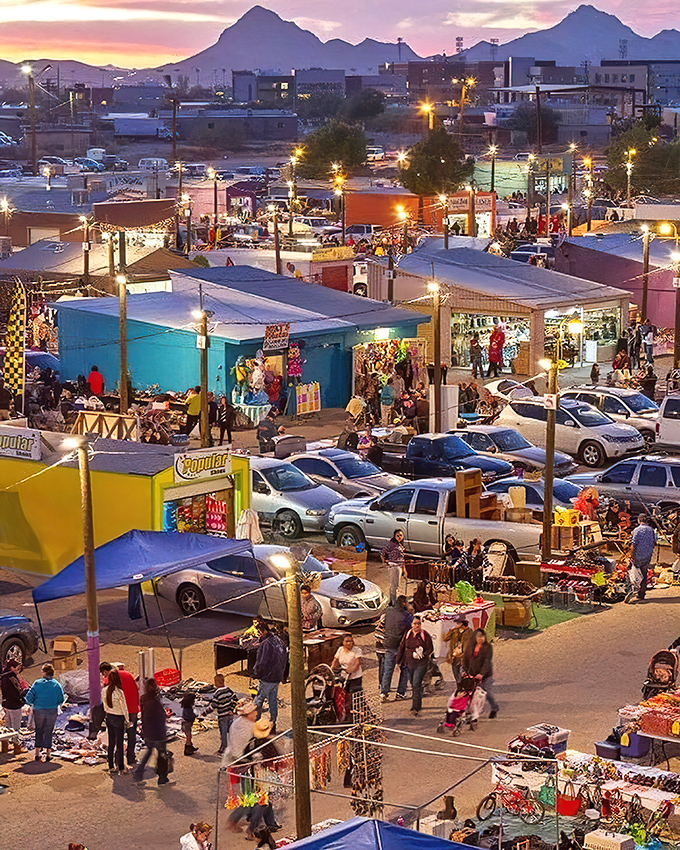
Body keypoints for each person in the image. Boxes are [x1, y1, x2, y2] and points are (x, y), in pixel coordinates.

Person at [99, 661, 139, 767]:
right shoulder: (129, 675)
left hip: (119, 713)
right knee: (132, 735)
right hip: (133, 708)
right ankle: (131, 757)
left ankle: (116, 762)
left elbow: (106, 697)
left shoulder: (111, 679)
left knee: (117, 740)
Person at [24, 663, 65, 762]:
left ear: (44, 672)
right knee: (48, 731)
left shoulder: (37, 683)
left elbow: (29, 697)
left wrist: (36, 702)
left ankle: (37, 753)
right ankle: (48, 754)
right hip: (52, 710)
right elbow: (61, 699)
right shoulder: (56, 685)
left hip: (39, 710)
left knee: (39, 730)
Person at [133, 677, 169, 786]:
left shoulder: (144, 700)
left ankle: (138, 774)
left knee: (148, 752)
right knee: (162, 755)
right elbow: (160, 716)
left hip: (148, 730)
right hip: (158, 731)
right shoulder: (155, 700)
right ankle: (162, 778)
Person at [253, 621, 287, 731]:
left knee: (259, 700)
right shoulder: (279, 641)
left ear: (263, 631)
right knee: (272, 700)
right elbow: (284, 660)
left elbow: (261, 662)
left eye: (259, 632)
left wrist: (257, 673)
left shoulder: (265, 644)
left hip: (267, 677)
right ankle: (273, 721)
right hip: (277, 676)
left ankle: (254, 720)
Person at [396, 616, 433, 716]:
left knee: (416, 683)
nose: (416, 626)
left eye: (418, 624)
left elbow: (430, 649)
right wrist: (398, 662)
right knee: (413, 683)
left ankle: (415, 707)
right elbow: (402, 647)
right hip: (409, 663)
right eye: (414, 624)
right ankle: (418, 699)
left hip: (421, 664)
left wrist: (422, 655)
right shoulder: (407, 634)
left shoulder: (424, 635)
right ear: (411, 625)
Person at [462, 629, 499, 721]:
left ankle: (494, 707)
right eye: (478, 637)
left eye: (482, 636)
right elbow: (465, 660)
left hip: (485, 675)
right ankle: (471, 713)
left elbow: (487, 662)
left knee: (486, 692)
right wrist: (465, 671)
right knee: (470, 694)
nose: (480, 639)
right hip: (472, 674)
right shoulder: (470, 647)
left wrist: (481, 674)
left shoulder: (487, 647)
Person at [380, 595, 412, 701]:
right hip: (400, 647)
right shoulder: (407, 616)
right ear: (403, 604)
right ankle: (400, 693)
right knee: (404, 669)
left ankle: (384, 692)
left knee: (388, 669)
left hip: (389, 644)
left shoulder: (389, 612)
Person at [102, 668, 130, 774]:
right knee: (119, 743)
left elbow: (104, 705)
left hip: (109, 717)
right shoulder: (119, 692)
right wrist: (127, 720)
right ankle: (121, 766)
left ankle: (110, 765)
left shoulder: (105, 691)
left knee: (111, 742)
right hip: (119, 718)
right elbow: (124, 708)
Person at [201, 674, 238, 754]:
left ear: (216, 683)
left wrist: (204, 714)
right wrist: (232, 709)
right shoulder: (229, 690)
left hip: (222, 716)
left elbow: (213, 706)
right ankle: (231, 746)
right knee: (229, 732)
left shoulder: (217, 694)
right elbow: (235, 700)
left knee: (223, 733)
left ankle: (223, 748)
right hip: (229, 715)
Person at [627, 515, 656, 604]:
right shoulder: (651, 530)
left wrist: (631, 555)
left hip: (638, 555)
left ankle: (632, 591)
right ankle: (642, 594)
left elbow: (633, 544)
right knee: (644, 574)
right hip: (647, 555)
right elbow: (654, 541)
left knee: (633, 573)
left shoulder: (636, 530)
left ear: (639, 521)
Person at [223, 697, 257, 769]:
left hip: (233, 755)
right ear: (248, 714)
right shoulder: (249, 725)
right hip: (242, 759)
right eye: (254, 712)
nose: (256, 713)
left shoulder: (237, 722)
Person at [1, 659, 26, 754]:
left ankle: (5, 747)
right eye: (17, 668)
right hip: (14, 705)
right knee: (16, 727)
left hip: (7, 704)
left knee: (7, 726)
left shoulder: (4, 677)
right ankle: (17, 747)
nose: (19, 670)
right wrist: (22, 696)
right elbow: (16, 693)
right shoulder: (11, 678)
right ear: (12, 668)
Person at [332, 634, 363, 708]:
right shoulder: (340, 650)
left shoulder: (357, 650)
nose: (349, 643)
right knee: (344, 697)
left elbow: (357, 663)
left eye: (350, 641)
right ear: (342, 642)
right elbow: (335, 661)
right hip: (344, 677)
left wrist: (351, 670)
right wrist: (331, 670)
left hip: (355, 677)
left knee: (356, 699)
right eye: (347, 641)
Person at [443, 614, 473, 685]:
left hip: (464, 655)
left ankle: (466, 685)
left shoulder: (469, 631)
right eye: (456, 623)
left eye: (458, 623)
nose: (457, 624)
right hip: (455, 655)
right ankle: (459, 685)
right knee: (456, 672)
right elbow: (446, 639)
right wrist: (451, 630)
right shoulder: (454, 631)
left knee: (465, 671)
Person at [381, 528, 406, 606]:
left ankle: (392, 601)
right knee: (394, 586)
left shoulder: (399, 544)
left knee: (395, 585)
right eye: (397, 536)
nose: (399, 537)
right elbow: (382, 553)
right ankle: (394, 603)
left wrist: (403, 569)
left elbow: (401, 558)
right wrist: (385, 561)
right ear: (394, 536)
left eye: (401, 535)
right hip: (394, 566)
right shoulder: (392, 544)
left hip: (399, 566)